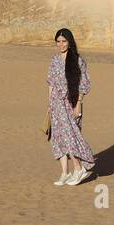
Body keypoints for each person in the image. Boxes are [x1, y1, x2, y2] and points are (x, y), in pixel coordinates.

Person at [47, 27, 95, 185]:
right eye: (58, 42)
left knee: (70, 136)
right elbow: (51, 84)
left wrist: (78, 104)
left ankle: (79, 168)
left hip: (71, 103)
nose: (61, 44)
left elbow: (84, 83)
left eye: (64, 41)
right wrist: (49, 104)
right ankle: (64, 173)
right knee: (58, 137)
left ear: (70, 42)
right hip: (56, 104)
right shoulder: (54, 60)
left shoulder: (77, 60)